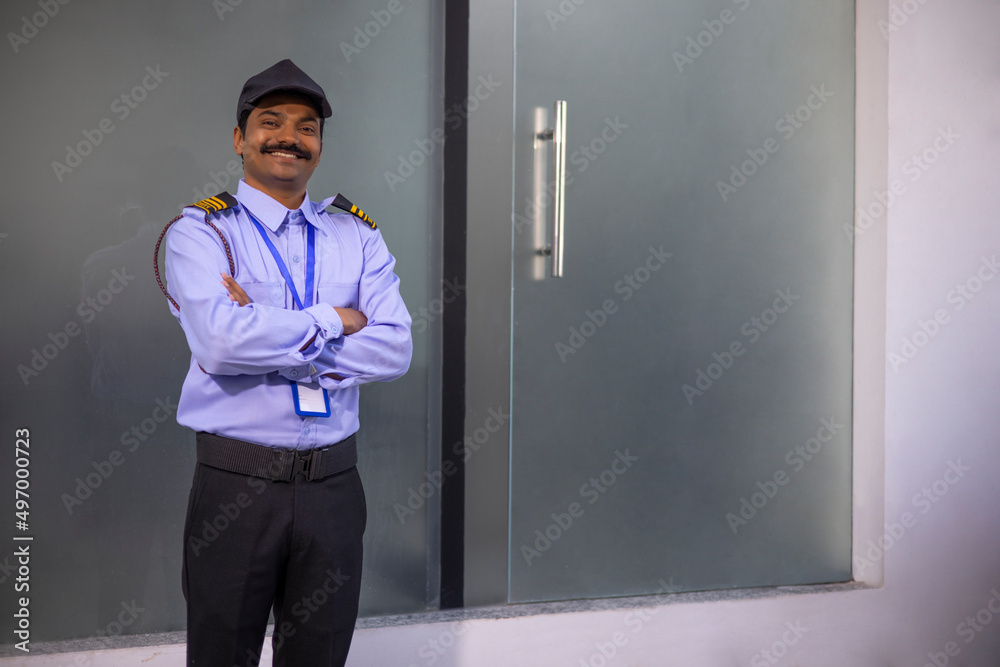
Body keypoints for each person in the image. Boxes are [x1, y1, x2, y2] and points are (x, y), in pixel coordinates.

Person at [162, 59, 412, 666]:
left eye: (306, 127)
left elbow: (396, 348)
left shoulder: (356, 235)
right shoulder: (201, 233)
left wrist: (270, 332)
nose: (288, 138)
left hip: (334, 487)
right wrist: (334, 320)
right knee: (222, 655)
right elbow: (221, 343)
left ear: (319, 145)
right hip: (237, 486)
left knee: (321, 657)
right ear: (239, 137)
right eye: (269, 121)